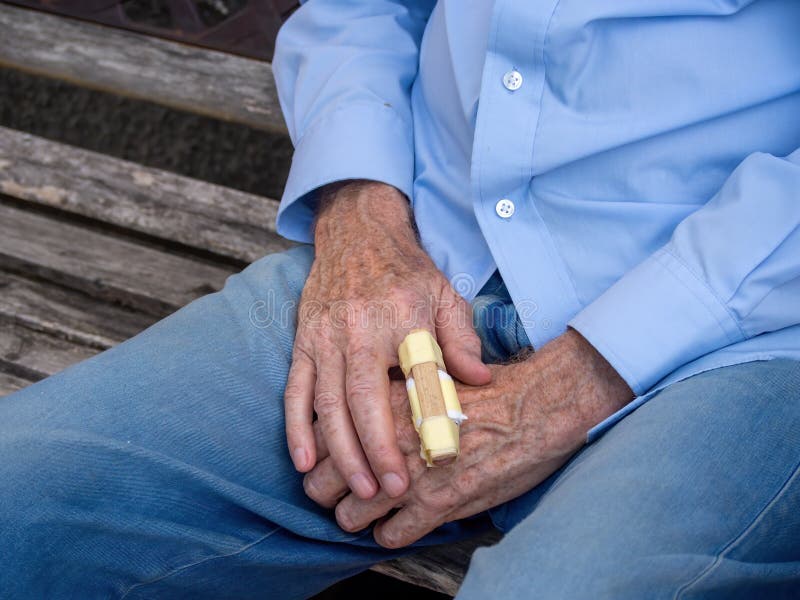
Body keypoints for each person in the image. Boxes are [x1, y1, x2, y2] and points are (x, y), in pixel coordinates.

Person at [2, 1, 800, 598]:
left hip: (737, 334)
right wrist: (361, 218)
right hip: (424, 252)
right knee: (18, 494)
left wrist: (575, 385)